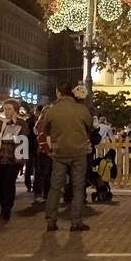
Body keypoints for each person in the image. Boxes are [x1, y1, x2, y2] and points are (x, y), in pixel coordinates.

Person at [39, 80, 94, 231]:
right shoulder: (81, 109)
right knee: (77, 187)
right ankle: (75, 221)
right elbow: (90, 125)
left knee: (55, 187)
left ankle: (51, 220)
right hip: (78, 152)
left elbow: (45, 129)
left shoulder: (52, 110)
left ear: (58, 92)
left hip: (59, 152)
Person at [0, 99, 29, 221]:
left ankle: (7, 208)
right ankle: (2, 203)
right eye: (5, 109)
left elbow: (24, 140)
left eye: (9, 109)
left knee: (9, 184)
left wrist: (21, 159)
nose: (7, 112)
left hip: (13, 160)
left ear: (15, 110)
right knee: (0, 184)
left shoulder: (21, 123)